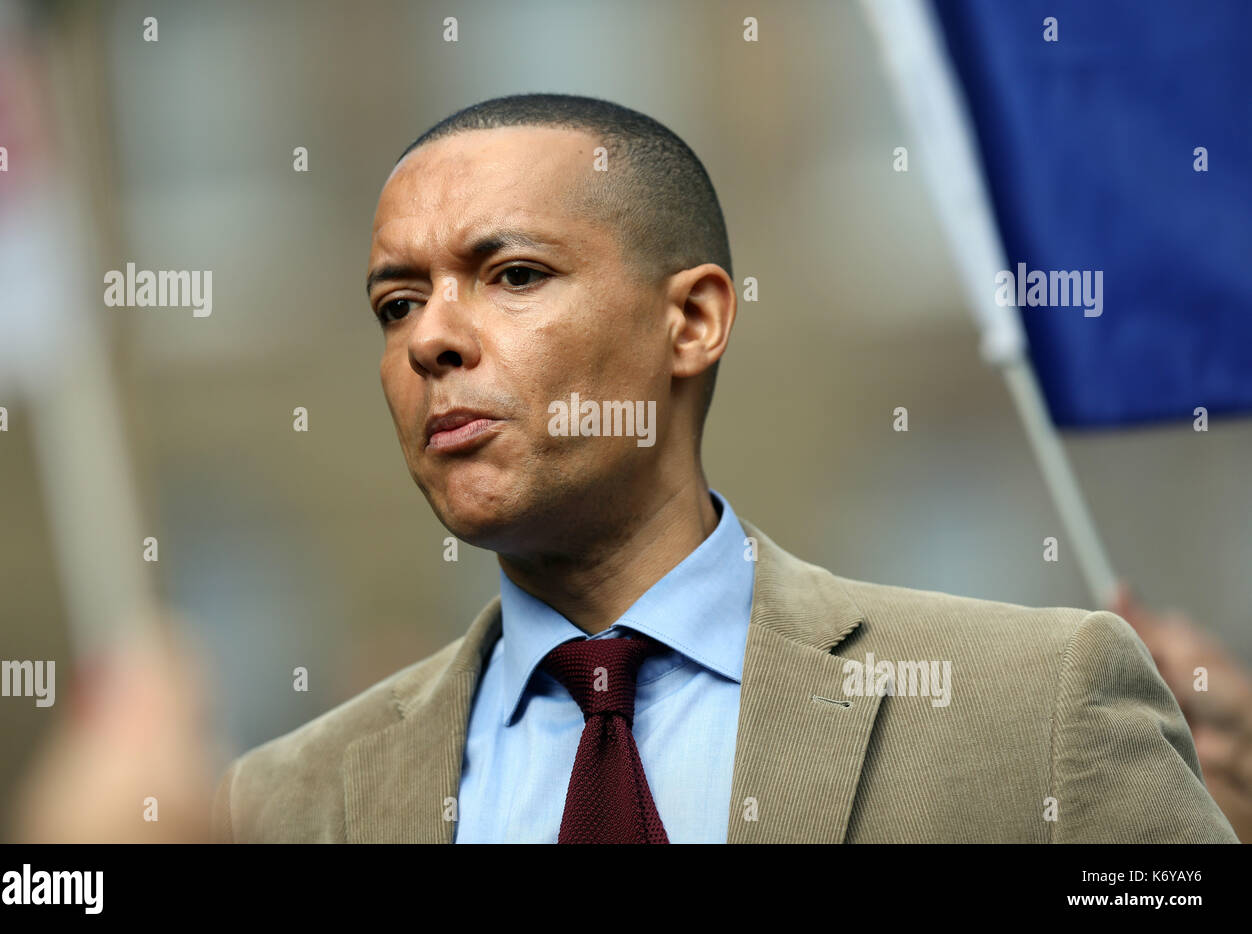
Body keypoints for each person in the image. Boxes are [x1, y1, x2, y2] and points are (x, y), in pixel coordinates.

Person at [211, 93, 1237, 843]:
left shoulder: (1035, 710)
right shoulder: (283, 806)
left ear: (692, 320)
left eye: (512, 275)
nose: (430, 339)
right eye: (396, 304)